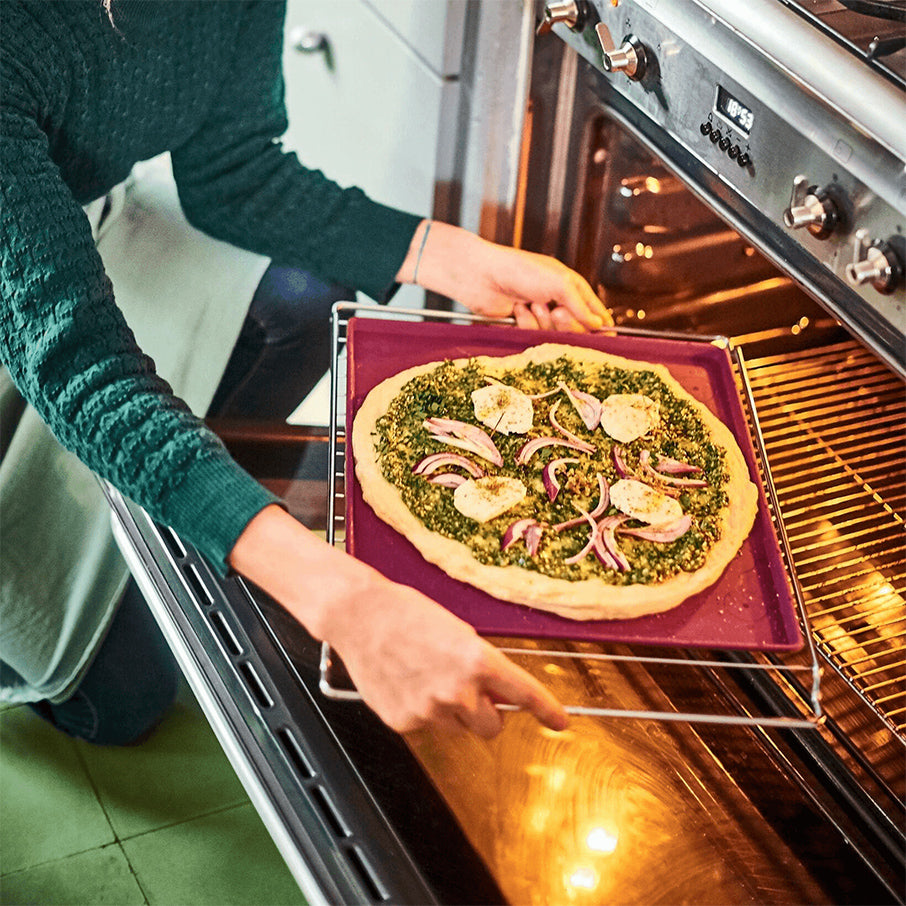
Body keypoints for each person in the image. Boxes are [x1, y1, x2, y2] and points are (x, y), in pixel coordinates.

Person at [0, 0, 611, 745]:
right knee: (119, 703)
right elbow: (80, 365)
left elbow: (234, 171)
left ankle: (180, 525)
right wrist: (343, 601)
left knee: (305, 300)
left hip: (62, 216)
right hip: (29, 264)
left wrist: (451, 256)